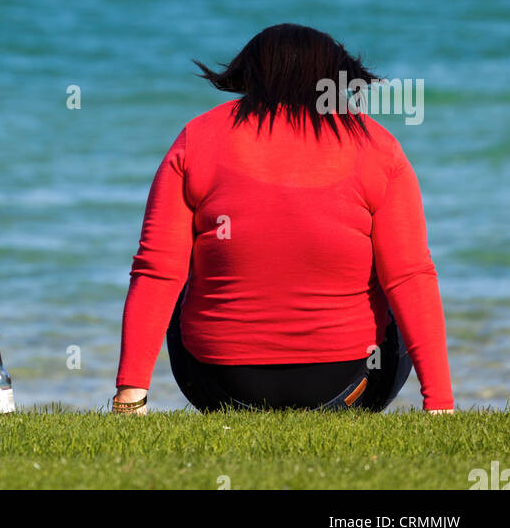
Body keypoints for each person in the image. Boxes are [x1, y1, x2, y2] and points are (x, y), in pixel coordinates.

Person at [113, 24, 454, 415]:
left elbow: (156, 271)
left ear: (250, 73)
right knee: (397, 282)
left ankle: (134, 398)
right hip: (351, 388)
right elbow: (410, 278)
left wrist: (129, 396)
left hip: (220, 389)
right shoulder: (377, 146)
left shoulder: (197, 137)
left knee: (178, 274)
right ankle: (437, 407)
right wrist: (440, 403)